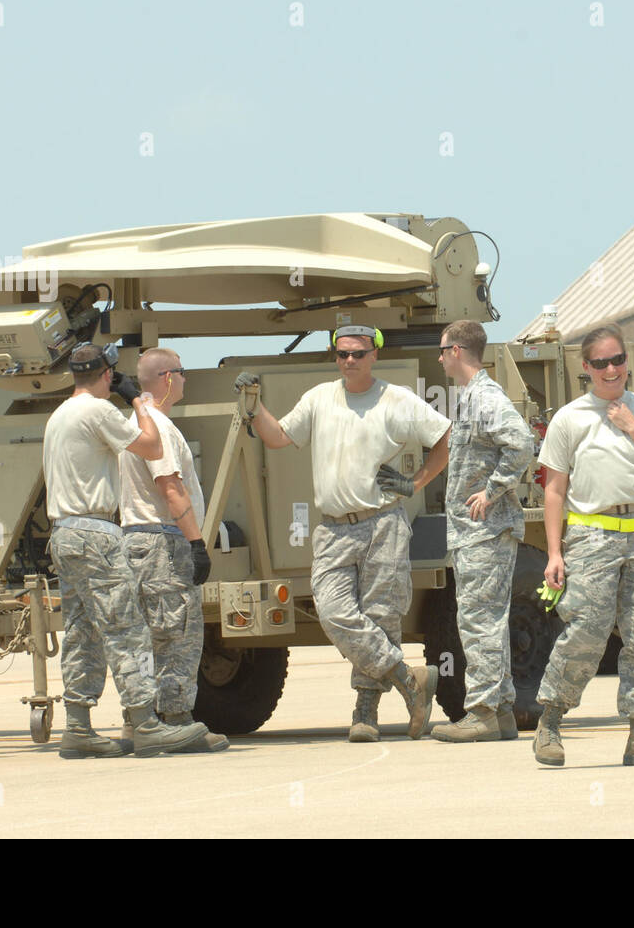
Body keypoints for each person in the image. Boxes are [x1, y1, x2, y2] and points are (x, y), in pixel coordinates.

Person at [236, 324, 449, 741]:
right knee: (334, 613)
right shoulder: (319, 398)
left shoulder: (396, 399)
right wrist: (254, 406)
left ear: (374, 356)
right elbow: (278, 437)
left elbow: (444, 437)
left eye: (357, 354)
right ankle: (409, 679)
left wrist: (417, 483)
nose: (348, 361)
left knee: (380, 618)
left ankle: (365, 711)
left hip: (383, 522)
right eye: (341, 354)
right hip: (334, 529)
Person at [44, 342, 210, 758]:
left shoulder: (59, 414)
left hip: (63, 532)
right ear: (105, 376)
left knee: (83, 631)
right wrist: (135, 398)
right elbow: (152, 447)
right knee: (127, 629)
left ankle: (78, 726)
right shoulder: (98, 410)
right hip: (95, 532)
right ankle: (146, 723)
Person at [532, 324, 634, 767]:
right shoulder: (569, 418)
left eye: (617, 360)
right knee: (586, 630)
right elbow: (554, 491)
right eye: (601, 363)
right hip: (592, 537)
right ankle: (550, 723)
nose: (611, 369)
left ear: (626, 361)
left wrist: (633, 427)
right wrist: (555, 553)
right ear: (586, 368)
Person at [118, 347, 228, 754]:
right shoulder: (158, 427)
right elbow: (170, 486)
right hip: (164, 541)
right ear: (166, 378)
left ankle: (139, 722)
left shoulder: (137, 423)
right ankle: (177, 721)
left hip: (138, 541)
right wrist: (197, 543)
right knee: (177, 635)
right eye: (181, 373)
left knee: (146, 635)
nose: (185, 379)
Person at [431, 320, 533, 743]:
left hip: (484, 533)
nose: (439, 358)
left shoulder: (485, 398)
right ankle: (501, 710)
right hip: (477, 534)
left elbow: (522, 443)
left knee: (479, 622)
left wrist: (491, 491)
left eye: (442, 350)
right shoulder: (471, 398)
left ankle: (485, 713)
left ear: (457, 351)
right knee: (486, 620)